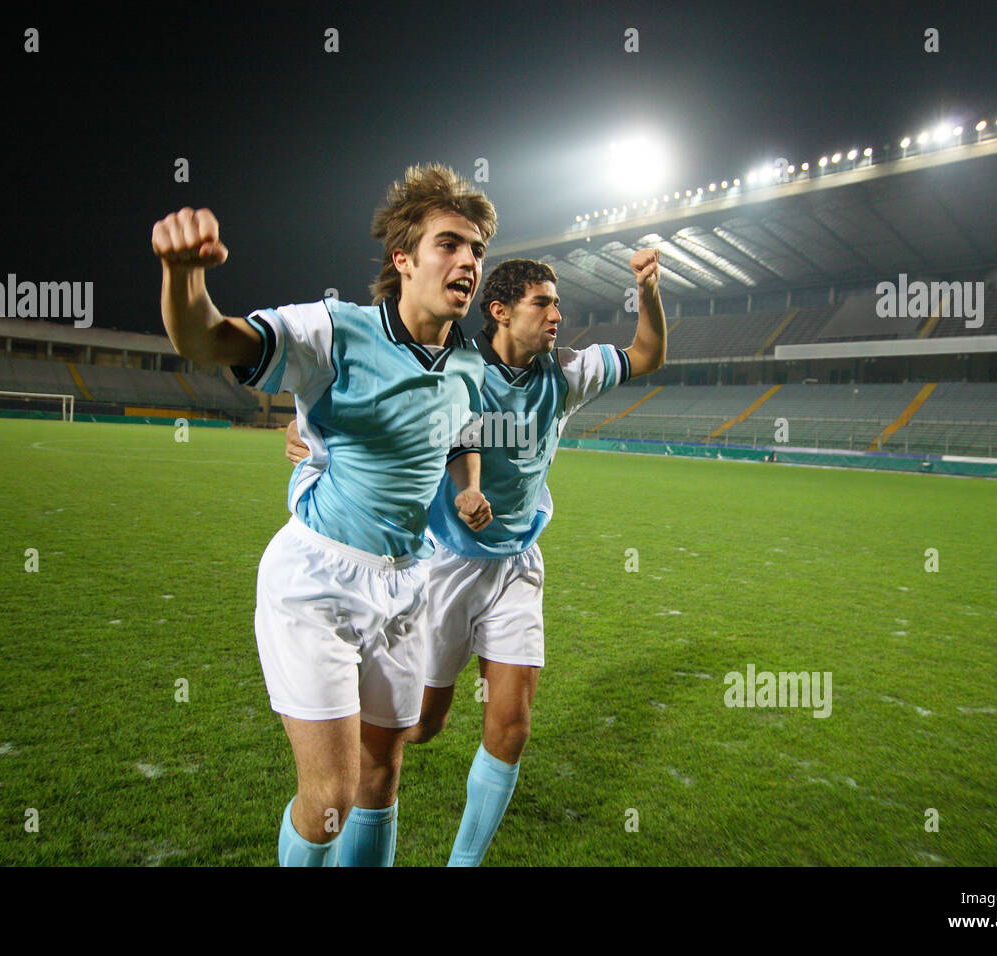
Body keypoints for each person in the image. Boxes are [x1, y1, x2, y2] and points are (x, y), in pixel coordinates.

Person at [152, 164, 497, 867]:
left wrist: (464, 484)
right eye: (450, 244)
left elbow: (454, 432)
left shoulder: (470, 363)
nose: (469, 261)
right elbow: (210, 341)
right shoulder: (331, 330)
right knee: (330, 796)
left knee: (380, 778)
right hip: (318, 584)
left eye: (478, 250)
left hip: (406, 583)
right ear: (402, 259)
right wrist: (184, 276)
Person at [287, 250, 666, 864]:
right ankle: (350, 757)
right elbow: (367, 401)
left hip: (517, 565)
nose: (556, 315)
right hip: (445, 566)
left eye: (557, 305)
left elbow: (648, 354)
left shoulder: (564, 372)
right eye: (543, 303)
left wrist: (648, 290)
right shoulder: (455, 368)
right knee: (420, 728)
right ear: (500, 310)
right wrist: (308, 431)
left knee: (512, 727)